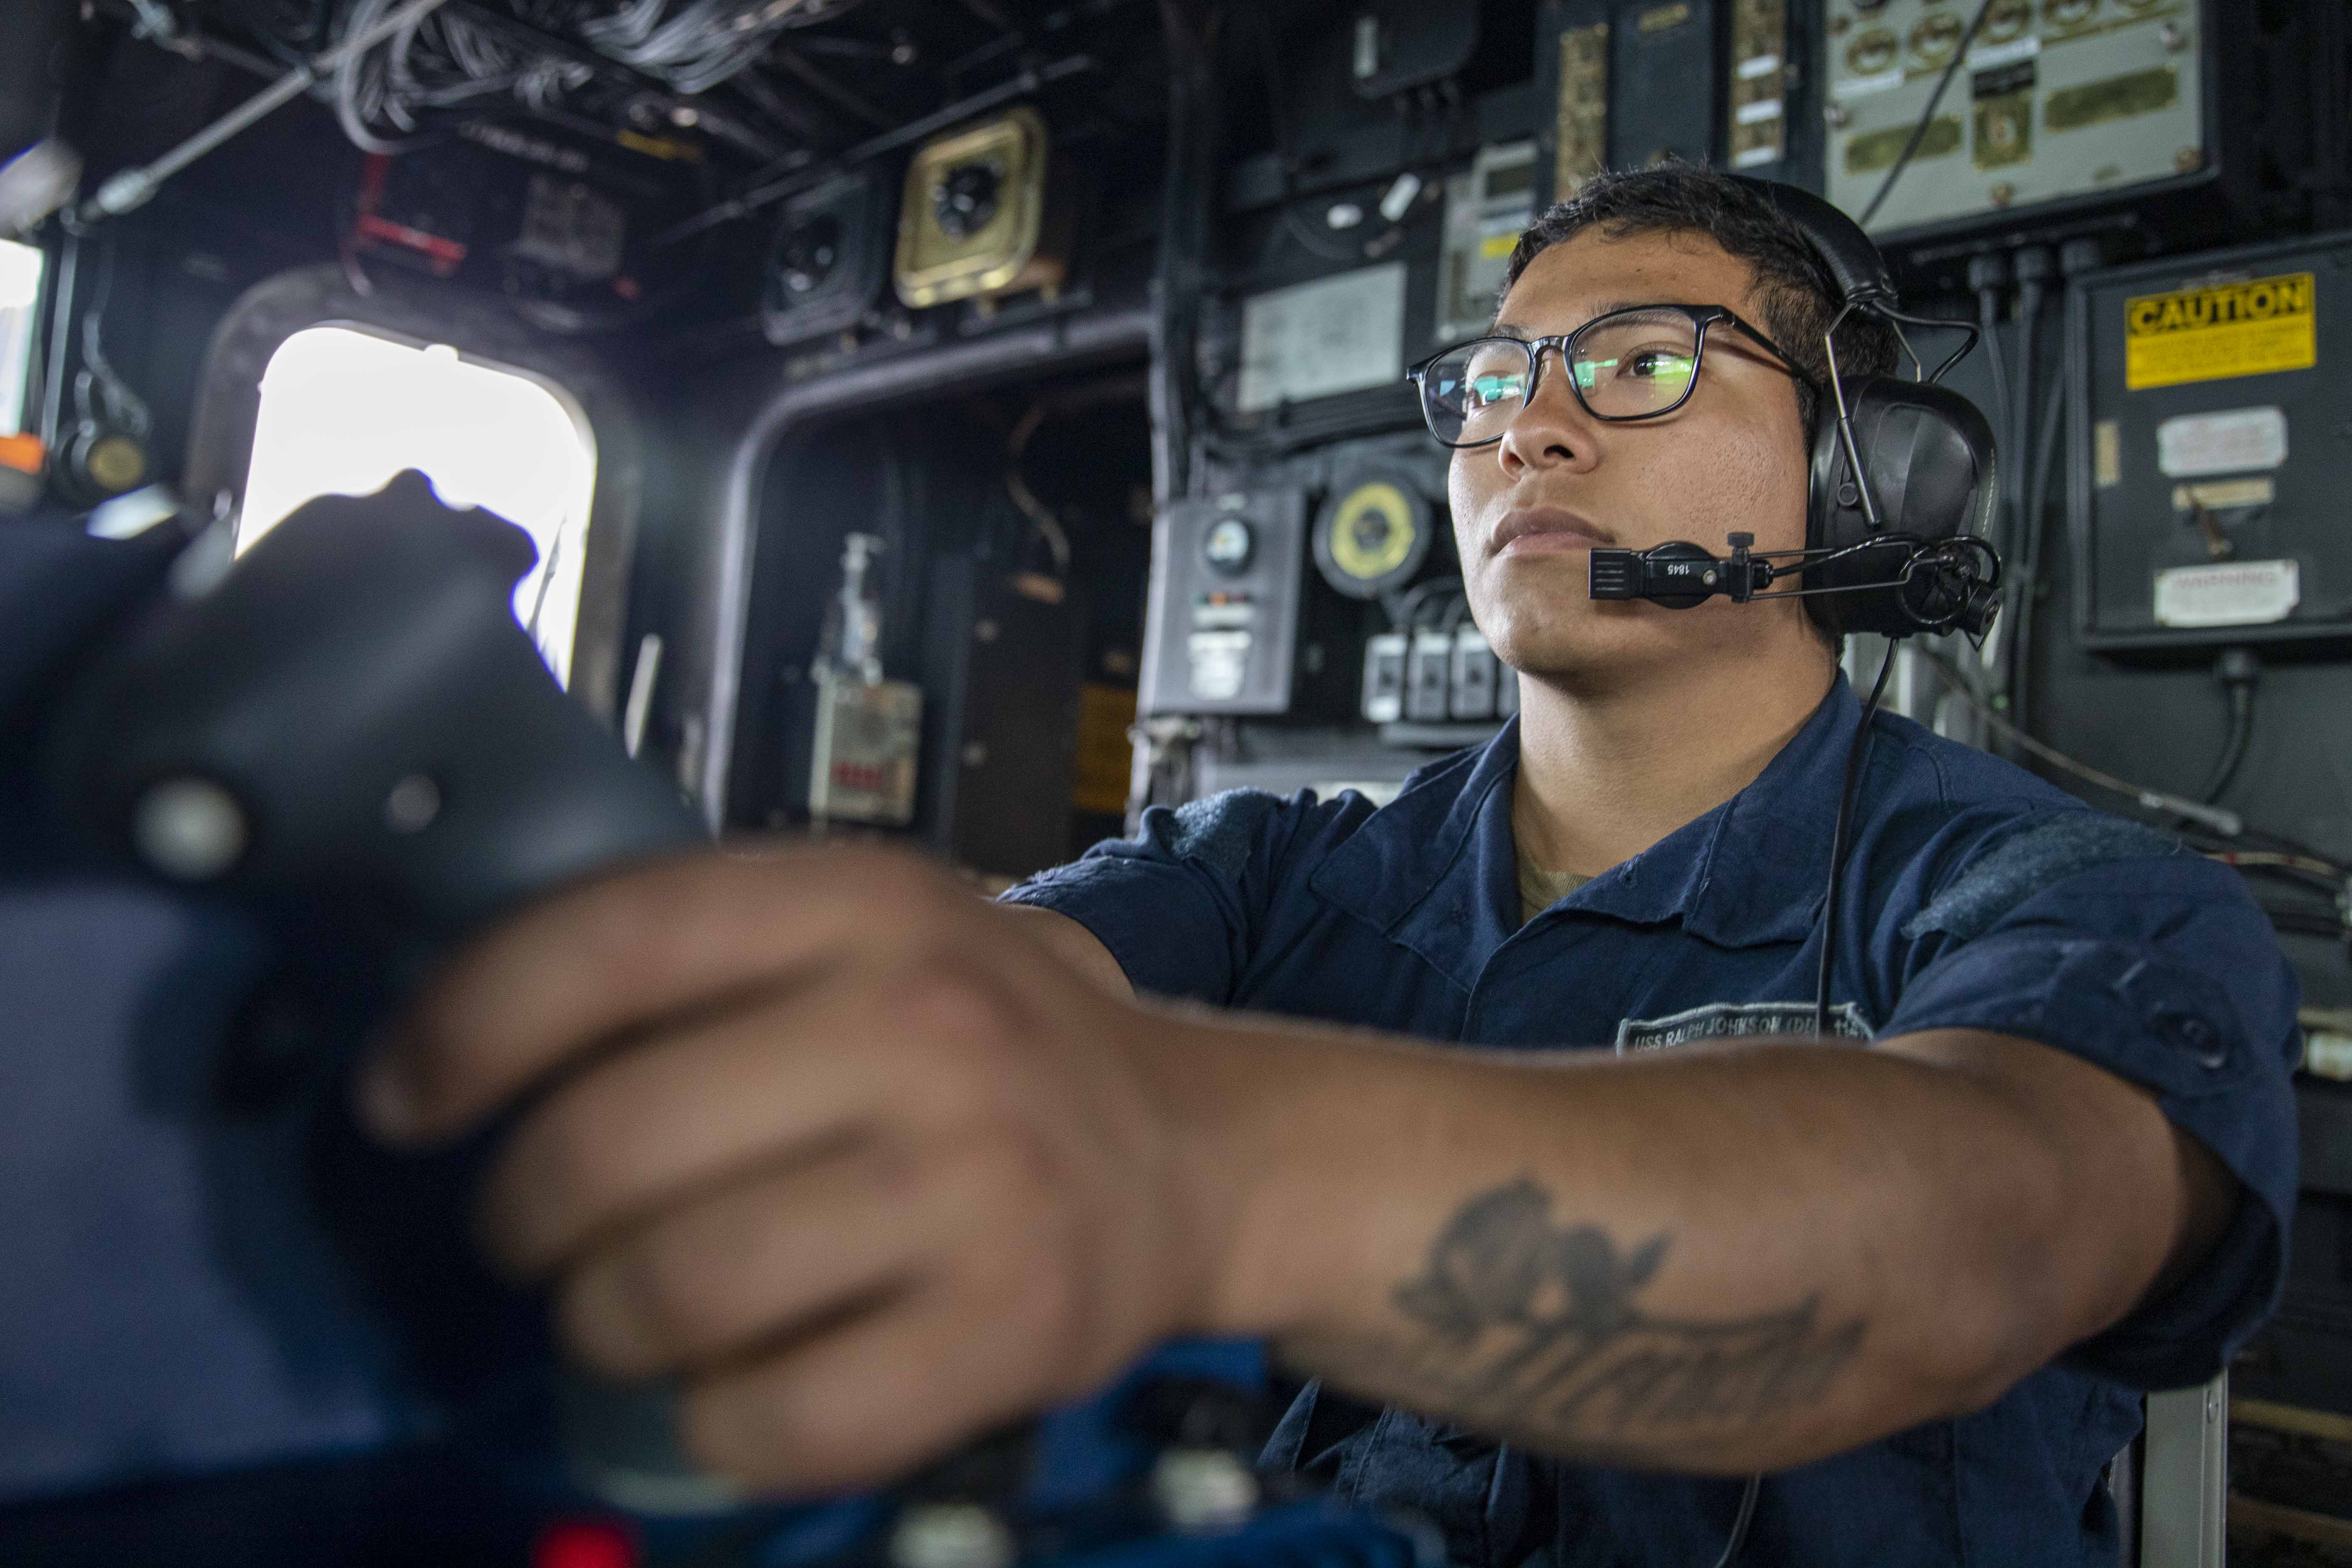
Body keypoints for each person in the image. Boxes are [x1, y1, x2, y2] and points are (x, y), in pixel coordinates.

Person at [354, 167, 2301, 1567]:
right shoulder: (1266, 871)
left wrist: (1184, 1163)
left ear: (1864, 475)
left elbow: (1971, 1230)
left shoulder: (2073, 900)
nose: (1524, 428)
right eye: (1489, 382)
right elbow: (1000, 1002)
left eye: (1637, 367)